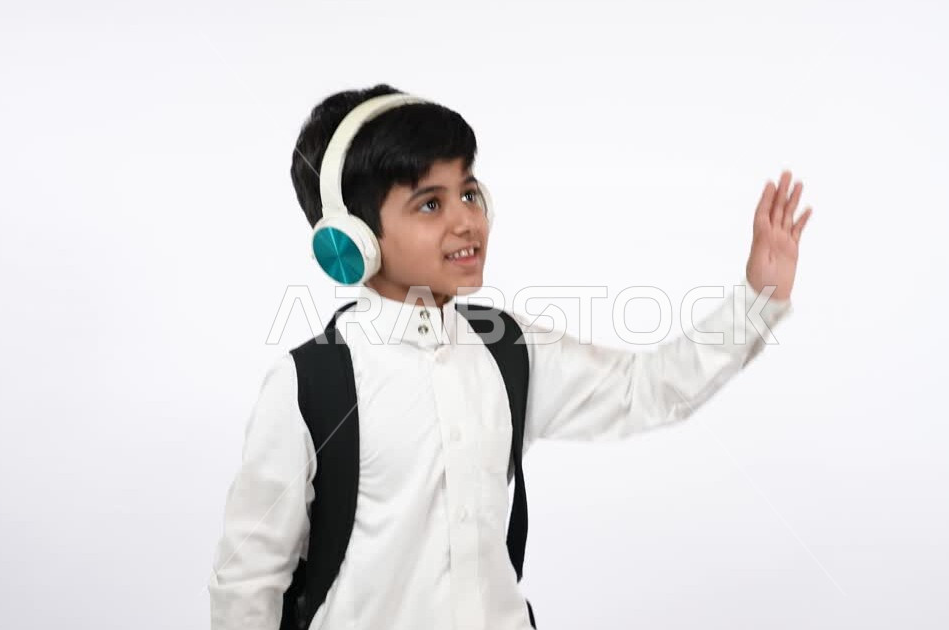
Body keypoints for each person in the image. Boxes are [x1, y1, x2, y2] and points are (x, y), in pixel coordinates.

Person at [207, 83, 813, 630]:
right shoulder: (308, 385)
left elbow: (648, 390)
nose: (467, 221)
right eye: (429, 204)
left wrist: (757, 300)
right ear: (352, 243)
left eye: (469, 192)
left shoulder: (506, 349)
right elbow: (247, 582)